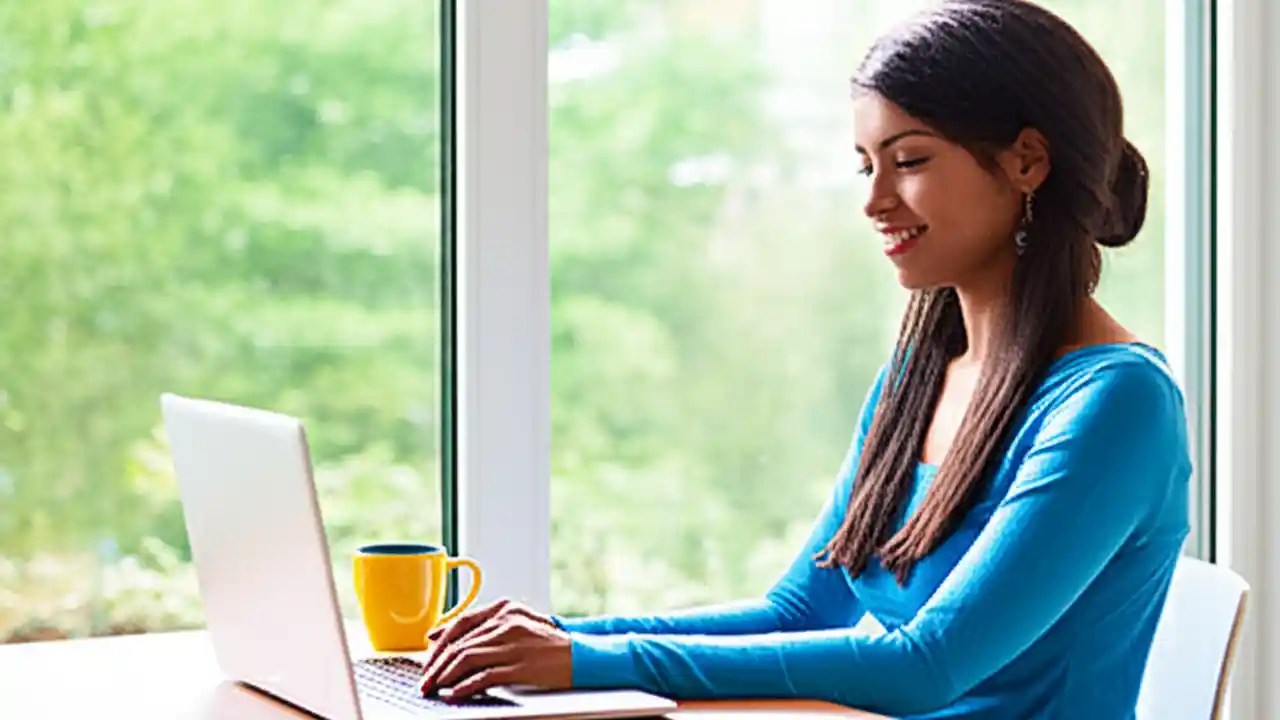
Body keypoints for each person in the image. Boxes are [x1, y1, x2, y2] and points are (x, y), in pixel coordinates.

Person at [416, 1, 1190, 717]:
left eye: (910, 160)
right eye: (866, 165)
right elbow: (801, 612)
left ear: (1027, 161)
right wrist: (552, 638)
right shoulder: (917, 378)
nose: (874, 199)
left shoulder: (1116, 403)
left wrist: (589, 659)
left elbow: (925, 665)